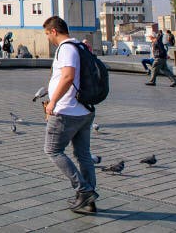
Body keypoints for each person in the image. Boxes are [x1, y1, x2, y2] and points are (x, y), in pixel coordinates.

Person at [43, 16, 98, 214]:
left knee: (52, 150)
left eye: (47, 34)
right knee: (83, 155)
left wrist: (52, 103)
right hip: (84, 109)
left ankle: (83, 190)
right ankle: (89, 200)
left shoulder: (66, 48)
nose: (47, 38)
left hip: (67, 110)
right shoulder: (79, 46)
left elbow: (67, 76)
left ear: (54, 31)